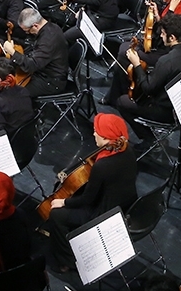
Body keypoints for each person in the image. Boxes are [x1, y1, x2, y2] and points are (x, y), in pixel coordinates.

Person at [48, 113, 137, 272]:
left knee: (56, 214)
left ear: (107, 138)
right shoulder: (127, 149)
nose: (94, 133)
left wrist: (64, 202)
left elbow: (88, 199)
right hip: (125, 204)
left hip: (103, 212)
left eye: (97, 131)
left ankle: (68, 260)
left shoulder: (102, 166)